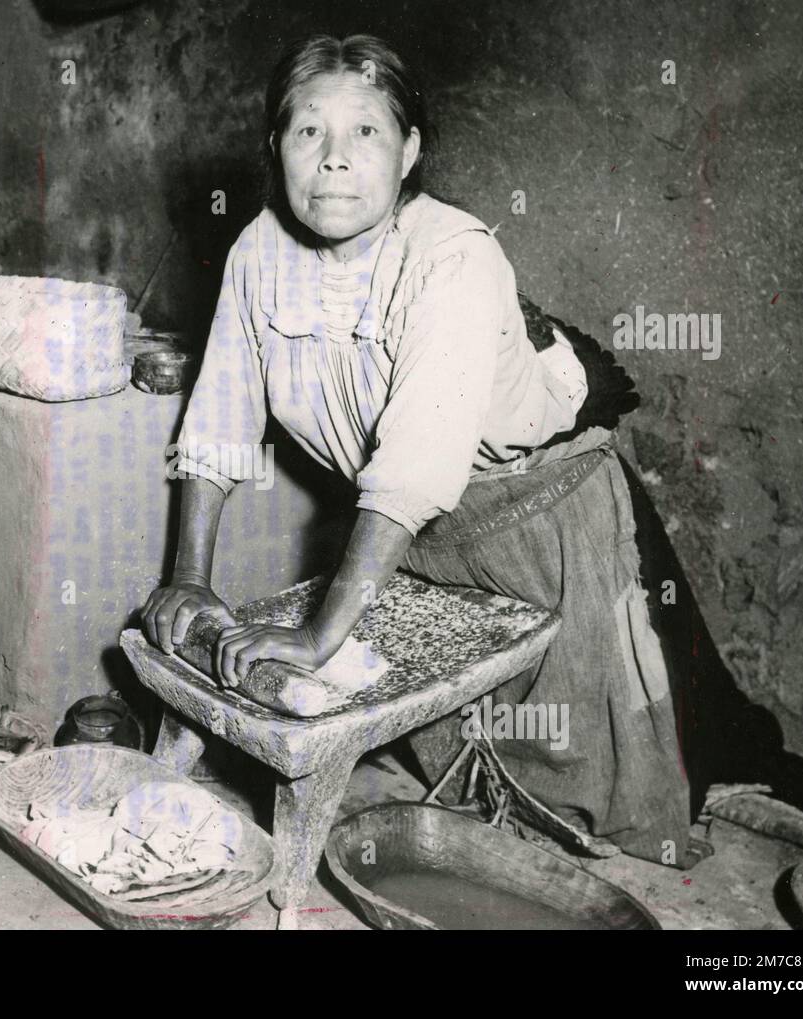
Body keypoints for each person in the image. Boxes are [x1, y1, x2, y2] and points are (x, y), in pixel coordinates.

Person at [140, 33, 691, 865]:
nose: (333, 159)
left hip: (541, 507)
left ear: (409, 153)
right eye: (307, 132)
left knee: (605, 785)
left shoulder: (452, 256)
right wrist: (188, 576)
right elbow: (218, 421)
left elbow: (413, 468)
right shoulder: (259, 251)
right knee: (464, 777)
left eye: (366, 132)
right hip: (426, 535)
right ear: (275, 150)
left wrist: (320, 634)